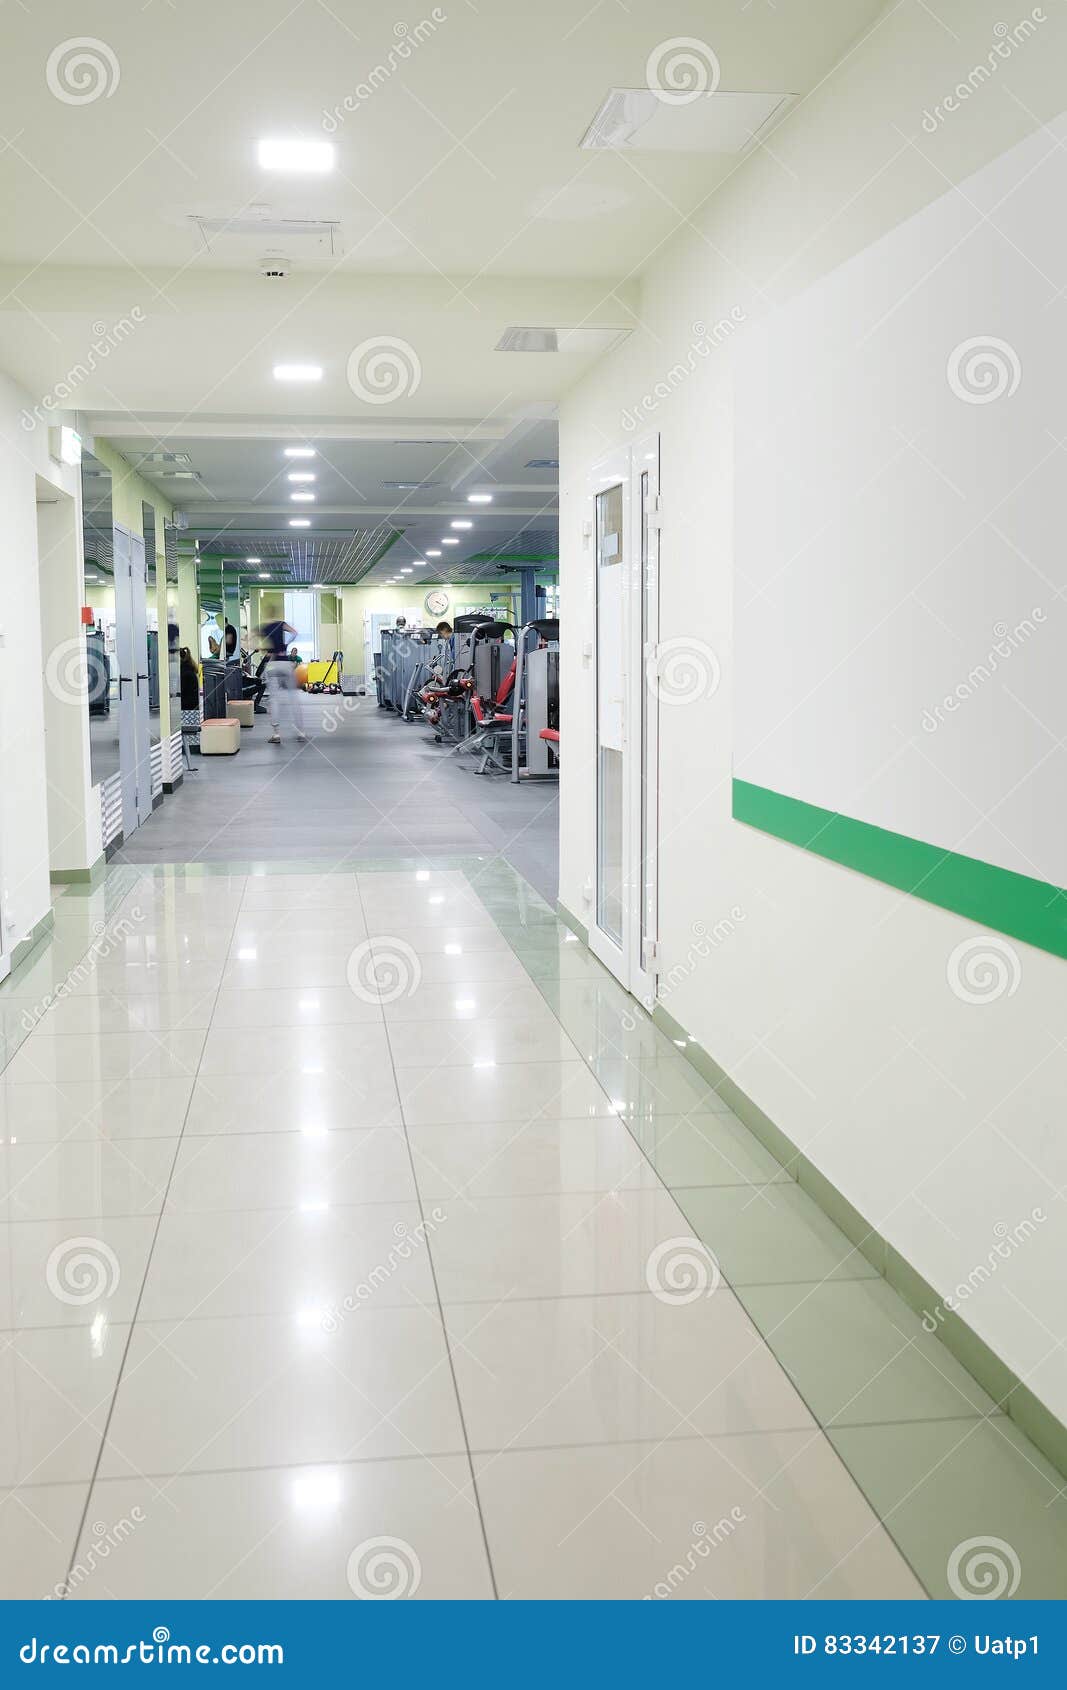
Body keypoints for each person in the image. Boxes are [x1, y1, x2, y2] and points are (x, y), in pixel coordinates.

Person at [258, 617, 307, 746]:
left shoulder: (264, 627)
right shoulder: (281, 624)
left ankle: (276, 733)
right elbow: (295, 633)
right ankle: (301, 731)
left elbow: (258, 644)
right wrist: (286, 644)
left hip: (272, 665)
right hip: (285, 663)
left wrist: (265, 650)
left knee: (274, 699)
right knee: (294, 698)